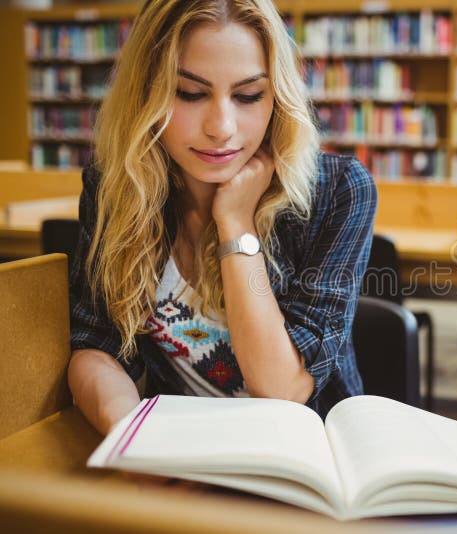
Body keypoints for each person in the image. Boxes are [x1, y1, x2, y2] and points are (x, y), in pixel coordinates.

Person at [68, 0, 377, 435]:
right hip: (185, 456)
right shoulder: (114, 188)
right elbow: (94, 344)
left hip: (310, 460)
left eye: (249, 95)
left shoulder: (339, 191)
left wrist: (235, 223)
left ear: (278, 97)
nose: (221, 127)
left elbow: (283, 388)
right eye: (190, 93)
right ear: (146, 93)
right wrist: (131, 435)